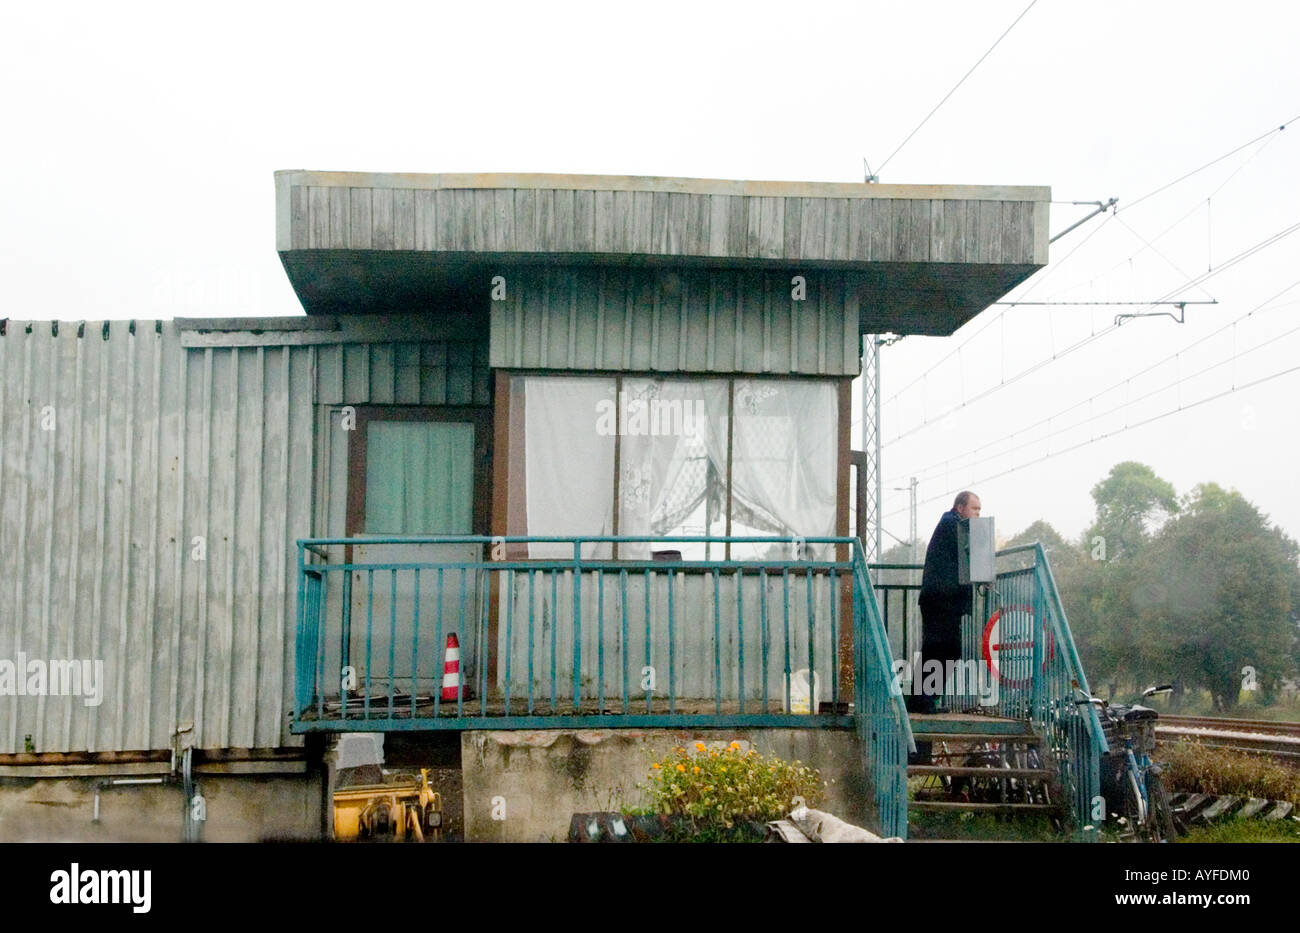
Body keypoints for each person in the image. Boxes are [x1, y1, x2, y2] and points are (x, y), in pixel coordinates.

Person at [909, 491, 981, 750]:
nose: (977, 515)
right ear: (960, 508)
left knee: (946, 649)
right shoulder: (952, 524)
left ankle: (926, 697)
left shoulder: (955, 526)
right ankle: (923, 699)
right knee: (938, 647)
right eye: (974, 509)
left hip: (946, 600)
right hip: (939, 599)